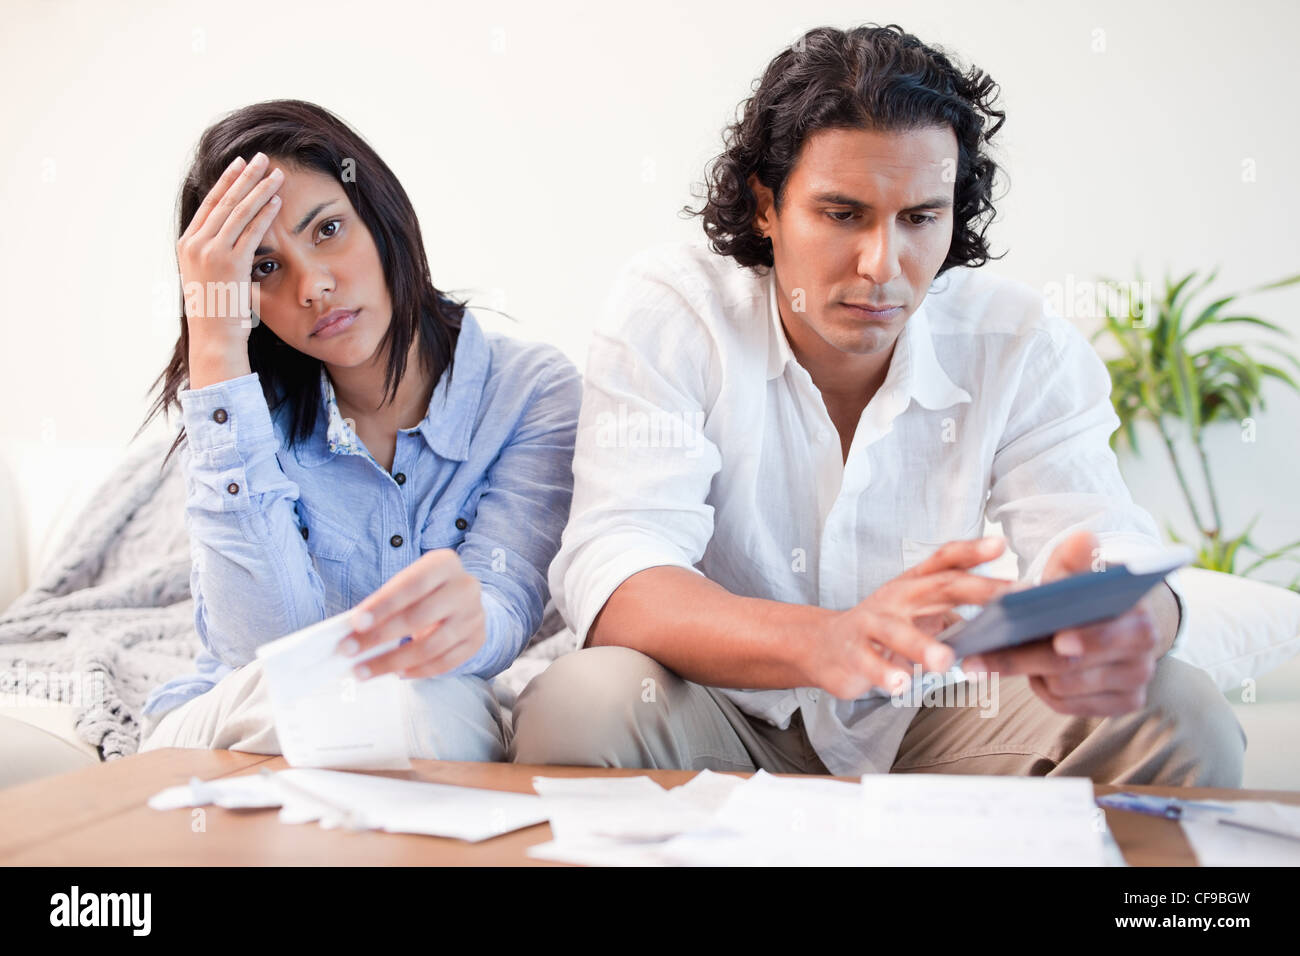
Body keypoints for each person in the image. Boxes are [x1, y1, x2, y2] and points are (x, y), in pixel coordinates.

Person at [510, 25, 1245, 784]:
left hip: (934, 719)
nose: (883, 266)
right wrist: (827, 640)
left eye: (920, 218)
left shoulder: (1017, 339)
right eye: (842, 213)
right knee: (583, 702)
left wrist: (1123, 623)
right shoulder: (677, 309)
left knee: (1176, 708)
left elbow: (1114, 547)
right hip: (720, 714)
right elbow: (619, 567)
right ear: (767, 205)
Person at [136, 100, 580, 762]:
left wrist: (469, 624)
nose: (312, 286)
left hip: (426, 707)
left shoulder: (531, 393)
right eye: (262, 268)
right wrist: (214, 339)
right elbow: (261, 648)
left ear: (383, 218)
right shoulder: (244, 415)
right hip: (242, 717)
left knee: (422, 709)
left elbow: (507, 603)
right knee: (362, 716)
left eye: (329, 229)